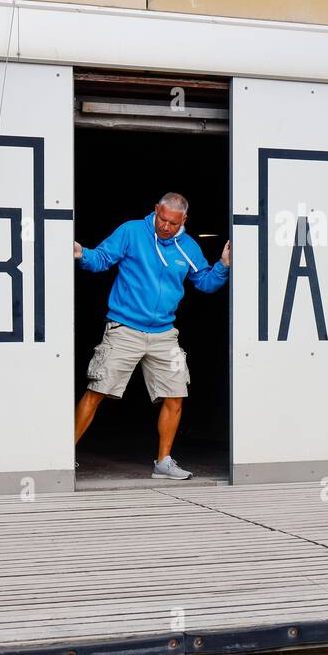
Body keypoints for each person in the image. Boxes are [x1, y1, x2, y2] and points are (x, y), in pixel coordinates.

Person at [73, 192, 231, 479]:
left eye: (172, 222)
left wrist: (223, 266)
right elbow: (102, 258)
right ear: (156, 210)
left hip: (164, 335)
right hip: (124, 328)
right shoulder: (132, 231)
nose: (165, 226)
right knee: (97, 391)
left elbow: (205, 283)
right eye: (162, 218)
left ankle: (163, 462)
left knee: (176, 395)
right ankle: (63, 454)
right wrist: (82, 254)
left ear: (184, 220)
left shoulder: (189, 248)